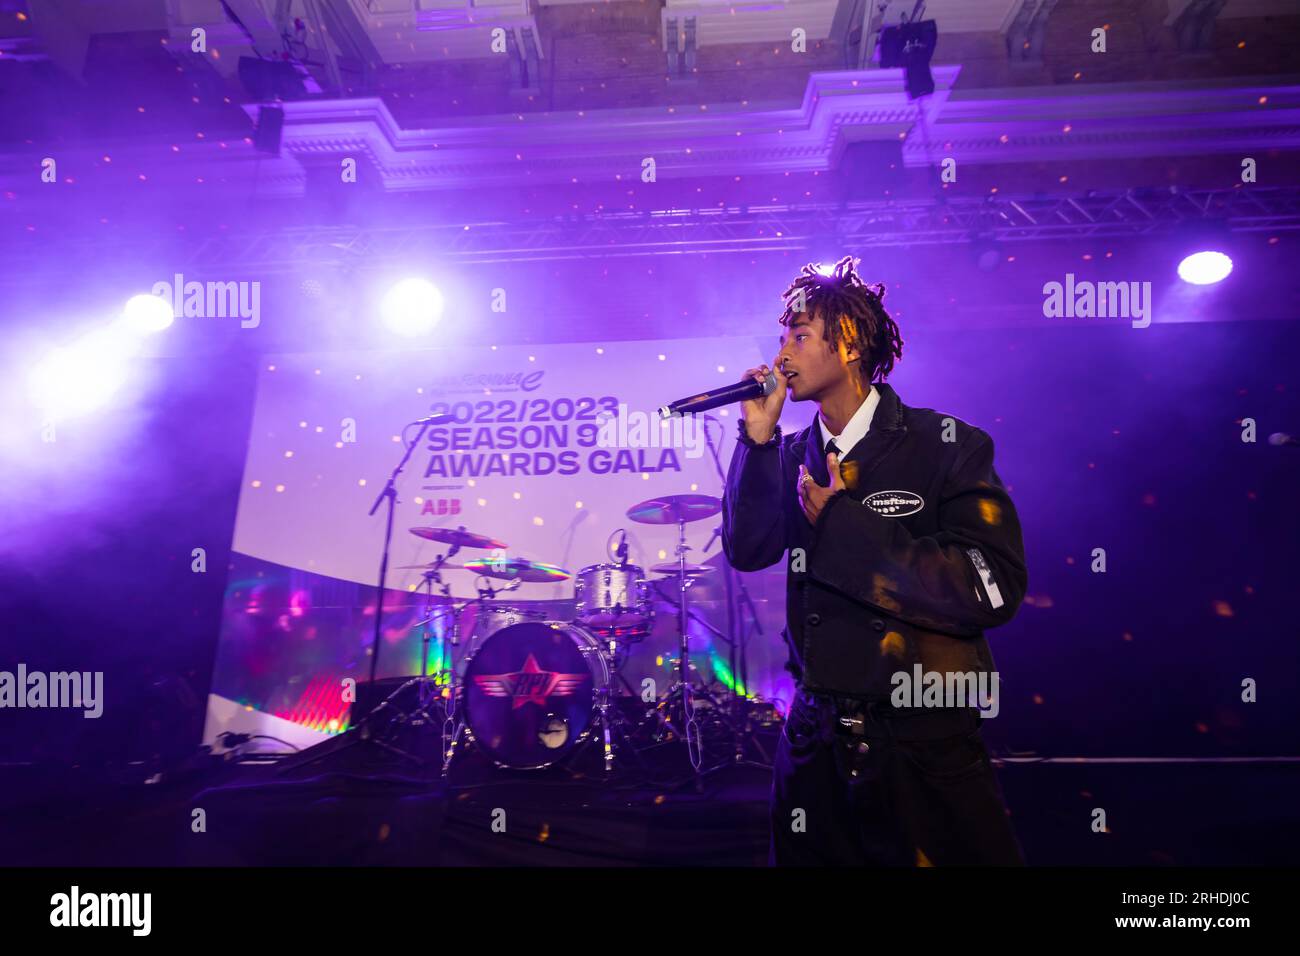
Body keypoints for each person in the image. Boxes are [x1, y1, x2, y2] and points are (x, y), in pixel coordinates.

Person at [722, 256, 1028, 866]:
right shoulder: (789, 455)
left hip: (921, 743)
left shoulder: (945, 445)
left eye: (800, 336)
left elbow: (991, 588)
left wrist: (843, 522)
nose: (782, 354)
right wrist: (756, 443)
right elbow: (748, 549)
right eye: (782, 337)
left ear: (851, 344)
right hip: (817, 744)